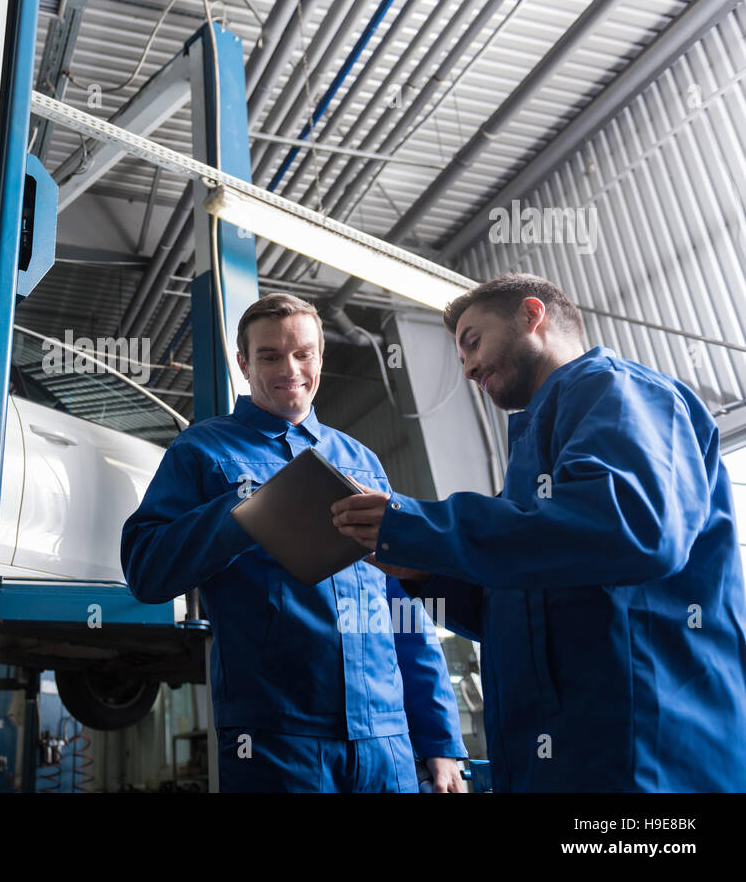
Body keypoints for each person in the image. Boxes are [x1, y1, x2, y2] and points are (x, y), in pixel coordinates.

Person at [331, 273, 746, 791]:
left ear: (532, 315)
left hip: (648, 757)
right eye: (461, 358)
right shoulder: (536, 457)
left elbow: (632, 526)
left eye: (473, 342)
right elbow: (526, 604)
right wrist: (424, 570)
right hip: (563, 758)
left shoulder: (617, 390)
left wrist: (421, 525)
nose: (469, 368)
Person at [122, 293, 468, 792]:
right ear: (243, 364)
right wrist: (244, 513)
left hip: (386, 738)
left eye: (304, 353)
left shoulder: (363, 460)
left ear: (320, 358)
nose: (290, 369)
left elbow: (402, 604)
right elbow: (147, 571)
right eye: (269, 356)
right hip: (278, 737)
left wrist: (439, 741)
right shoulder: (202, 450)